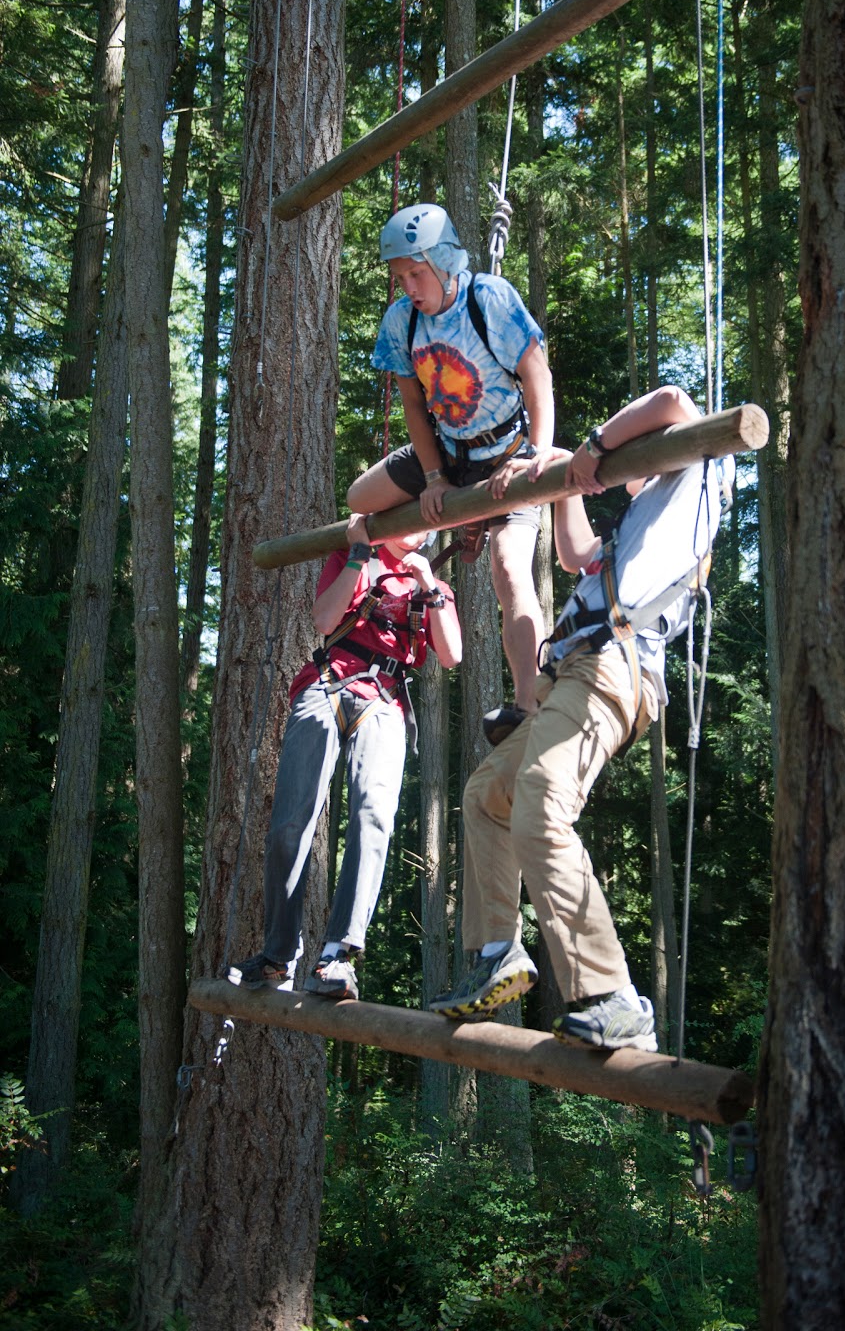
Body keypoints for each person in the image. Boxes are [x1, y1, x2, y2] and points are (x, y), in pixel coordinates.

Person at [427, 386, 721, 1052]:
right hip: (573, 676)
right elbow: (573, 554)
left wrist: (590, 448)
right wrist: (567, 479)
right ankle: (496, 949)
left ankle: (609, 993)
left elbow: (673, 400)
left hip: (612, 668)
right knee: (487, 796)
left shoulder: (695, 475)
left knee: (539, 808)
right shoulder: (644, 516)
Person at [228, 511, 462, 999]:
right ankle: (278, 954)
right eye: (405, 514)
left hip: (386, 699)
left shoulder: (432, 584)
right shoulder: (353, 557)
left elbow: (451, 654)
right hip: (328, 683)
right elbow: (324, 619)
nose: (414, 526)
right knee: (291, 824)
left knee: (374, 816)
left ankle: (336, 954)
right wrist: (358, 553)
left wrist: (427, 584)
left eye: (424, 521)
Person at [346, 203, 553, 746]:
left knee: (510, 571)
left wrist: (536, 455)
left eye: (417, 273)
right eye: (400, 276)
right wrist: (435, 478)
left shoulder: (490, 299)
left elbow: (539, 378)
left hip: (508, 450)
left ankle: (533, 709)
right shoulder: (402, 321)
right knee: (360, 500)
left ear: (444, 261)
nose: (409, 285)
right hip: (446, 451)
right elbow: (414, 406)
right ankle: (399, 581)